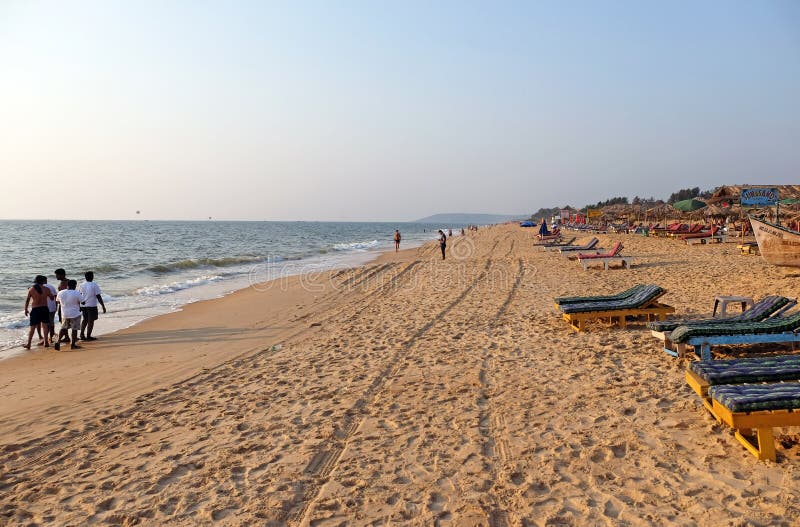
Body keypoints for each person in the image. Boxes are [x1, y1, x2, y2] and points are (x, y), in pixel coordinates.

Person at [23, 275, 54, 349]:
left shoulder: (31, 289)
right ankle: (46, 342)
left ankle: (29, 344)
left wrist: (26, 309)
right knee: (45, 326)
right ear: (43, 281)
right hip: (44, 308)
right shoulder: (47, 289)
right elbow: (52, 298)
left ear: (36, 281)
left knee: (32, 327)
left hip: (35, 309)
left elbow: (27, 300)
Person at [55, 280, 82, 351]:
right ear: (75, 285)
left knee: (63, 328)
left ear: (67, 285)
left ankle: (58, 341)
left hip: (64, 314)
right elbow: (83, 301)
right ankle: (73, 345)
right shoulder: (77, 293)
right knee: (74, 329)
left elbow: (57, 301)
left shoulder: (60, 292)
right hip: (75, 313)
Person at [79, 271, 106, 341]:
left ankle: (82, 334)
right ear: (92, 276)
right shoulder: (94, 284)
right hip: (91, 305)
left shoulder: (81, 284)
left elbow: (80, 295)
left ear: (85, 277)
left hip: (83, 305)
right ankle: (88, 336)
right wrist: (103, 306)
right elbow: (98, 296)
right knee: (91, 321)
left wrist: (79, 305)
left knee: (85, 320)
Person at [43, 277, 58, 341]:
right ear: (46, 280)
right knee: (51, 322)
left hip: (44, 307)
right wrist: (56, 306)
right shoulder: (51, 286)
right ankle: (51, 337)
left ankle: (45, 338)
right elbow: (56, 297)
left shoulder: (40, 287)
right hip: (52, 307)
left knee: (45, 324)